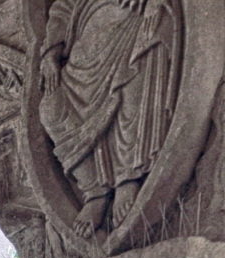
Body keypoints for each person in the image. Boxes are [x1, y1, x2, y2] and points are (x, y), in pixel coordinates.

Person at [38, 0, 179, 234]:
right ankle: (94, 188)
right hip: (87, 46)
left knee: (131, 96)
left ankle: (127, 176)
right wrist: (51, 52)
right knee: (51, 111)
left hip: (134, 26)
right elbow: (63, 8)